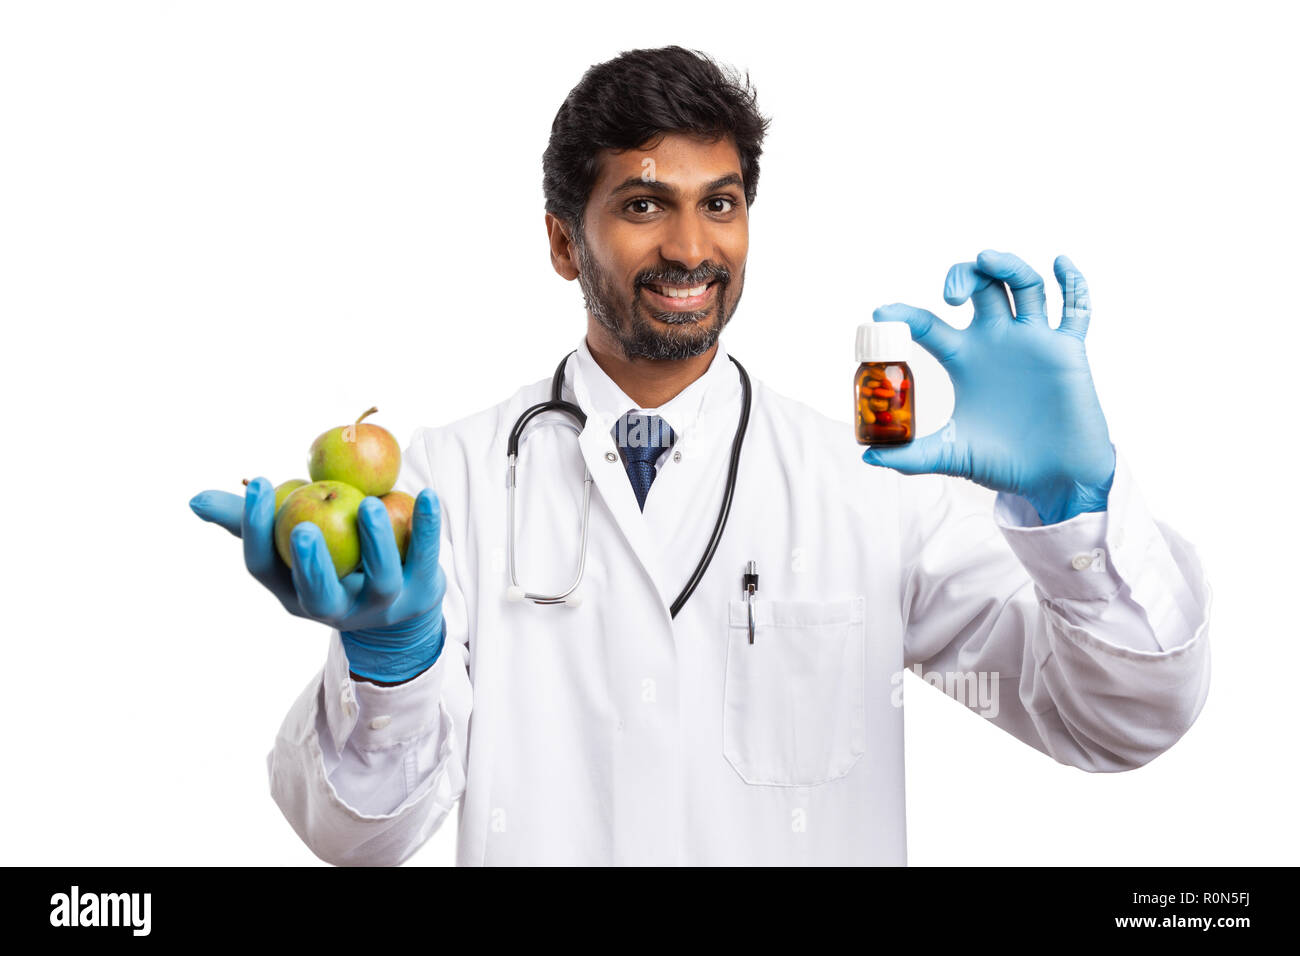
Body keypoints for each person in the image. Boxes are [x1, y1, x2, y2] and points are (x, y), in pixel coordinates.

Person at [190, 45, 1211, 866]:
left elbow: (1118, 720)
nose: (691, 247)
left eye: (718, 202)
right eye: (643, 204)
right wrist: (390, 660)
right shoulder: (444, 481)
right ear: (561, 241)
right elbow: (354, 834)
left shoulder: (866, 486)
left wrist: (1072, 511)